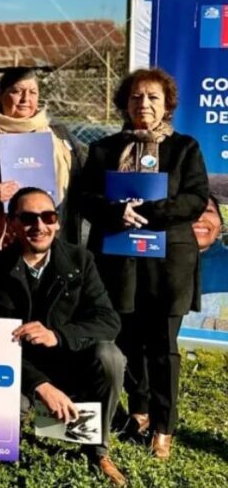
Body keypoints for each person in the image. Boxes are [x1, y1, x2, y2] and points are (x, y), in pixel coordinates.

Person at [80, 68, 208, 460]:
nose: (144, 105)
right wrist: (115, 213)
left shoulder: (185, 148)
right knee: (127, 338)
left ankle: (164, 426)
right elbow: (86, 197)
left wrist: (147, 212)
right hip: (119, 259)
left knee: (163, 345)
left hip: (169, 262)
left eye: (153, 97)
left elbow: (195, 198)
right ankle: (137, 410)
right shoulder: (103, 150)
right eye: (136, 97)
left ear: (167, 104)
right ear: (124, 103)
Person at [0, 187, 126, 487]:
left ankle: (96, 449)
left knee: (111, 357)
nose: (39, 226)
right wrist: (40, 385)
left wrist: (58, 336)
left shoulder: (81, 260)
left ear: (57, 222)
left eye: (48, 216)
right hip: (19, 370)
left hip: (69, 363)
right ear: (12, 223)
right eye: (29, 218)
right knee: (8, 414)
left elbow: (108, 320)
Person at [0, 67, 83, 262]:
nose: (25, 99)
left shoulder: (57, 135)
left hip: (44, 234)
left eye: (32, 92)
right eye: (17, 91)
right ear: (0, 94)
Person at [185, 195, 228, 332]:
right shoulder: (150, 263)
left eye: (208, 211)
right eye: (190, 210)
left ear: (221, 225)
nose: (199, 217)